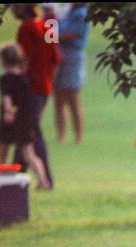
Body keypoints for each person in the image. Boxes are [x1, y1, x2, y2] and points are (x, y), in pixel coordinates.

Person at [13, 4, 60, 189]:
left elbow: (23, 59)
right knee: (31, 130)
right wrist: (49, 80)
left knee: (28, 133)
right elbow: (56, 57)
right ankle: (18, 175)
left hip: (30, 86)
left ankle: (38, 179)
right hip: (44, 86)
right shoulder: (49, 25)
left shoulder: (26, 28)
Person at [0, 44, 50, 189]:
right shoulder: (26, 79)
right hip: (25, 120)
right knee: (29, 153)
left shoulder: (5, 79)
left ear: (3, 60)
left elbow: (7, 97)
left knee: (2, 153)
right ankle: (43, 180)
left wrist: (8, 113)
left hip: (10, 120)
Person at [53, 2, 89, 144]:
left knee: (73, 97)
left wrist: (50, 35)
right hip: (58, 54)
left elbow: (72, 34)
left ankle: (78, 137)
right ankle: (61, 137)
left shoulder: (81, 14)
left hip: (72, 56)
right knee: (58, 98)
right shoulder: (66, 11)